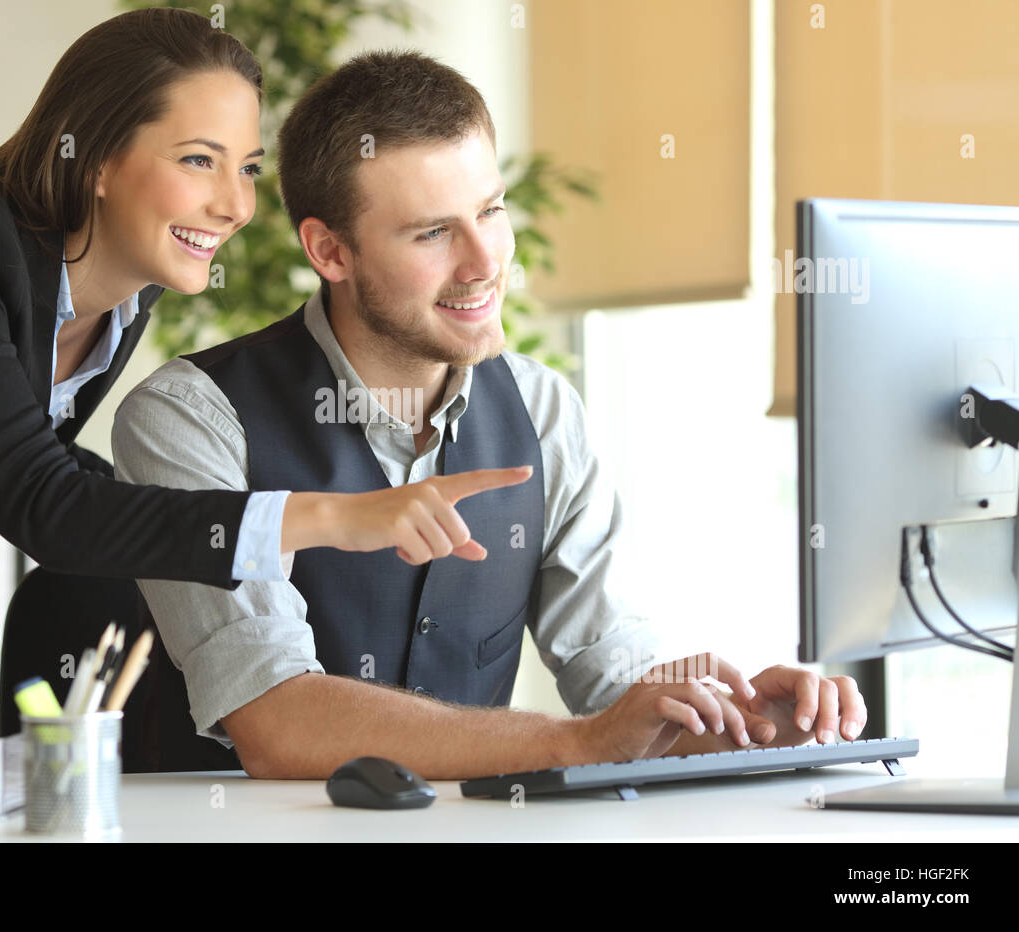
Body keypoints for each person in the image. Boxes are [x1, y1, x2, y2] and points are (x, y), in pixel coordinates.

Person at [0, 12, 527, 739]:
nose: (233, 204)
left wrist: (195, 503)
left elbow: (43, 467)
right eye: (198, 160)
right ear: (97, 161)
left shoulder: (119, 303)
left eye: (245, 167)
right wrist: (331, 517)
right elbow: (42, 502)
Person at [112, 50, 868, 779]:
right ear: (330, 251)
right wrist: (575, 743)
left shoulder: (540, 409)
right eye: (434, 232)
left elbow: (616, 679)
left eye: (490, 211)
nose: (485, 263)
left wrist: (754, 728)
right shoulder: (192, 419)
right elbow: (275, 722)